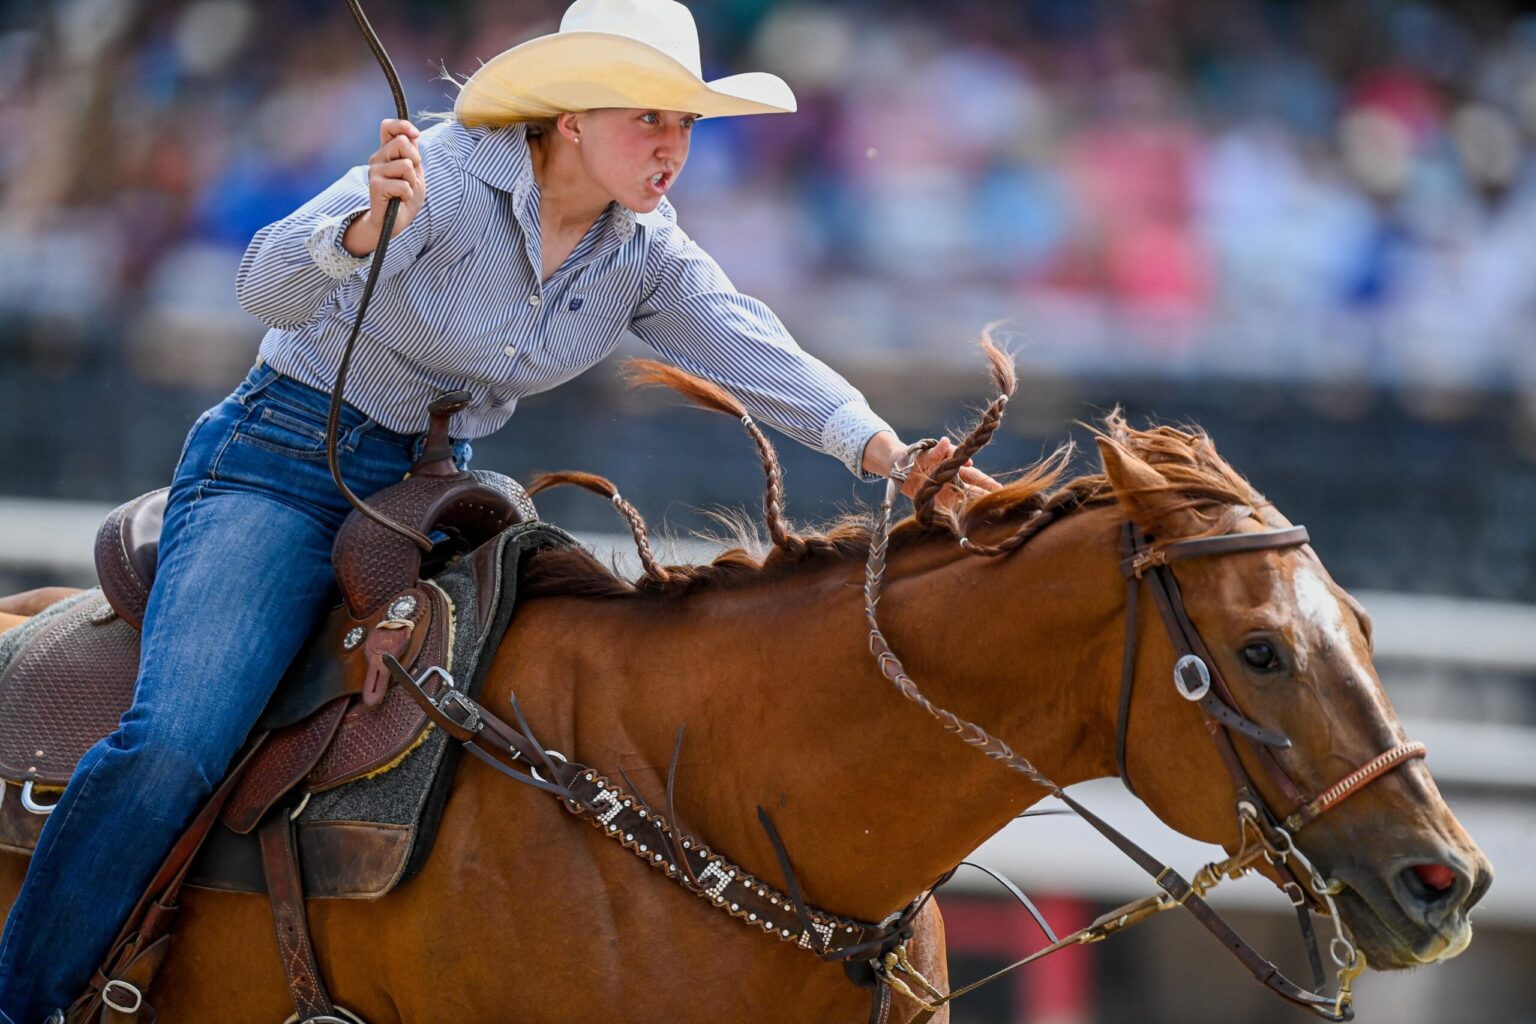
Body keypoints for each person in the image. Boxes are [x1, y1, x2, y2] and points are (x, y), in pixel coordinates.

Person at [0, 0, 993, 1019]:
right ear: (572, 118)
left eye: (687, 124)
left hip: (435, 492)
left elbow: (754, 348)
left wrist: (892, 454)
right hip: (279, 464)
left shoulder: (646, 249)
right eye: (649, 119)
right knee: (175, 741)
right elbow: (263, 284)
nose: (675, 147)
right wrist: (358, 233)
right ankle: (25, 1001)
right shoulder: (439, 174)